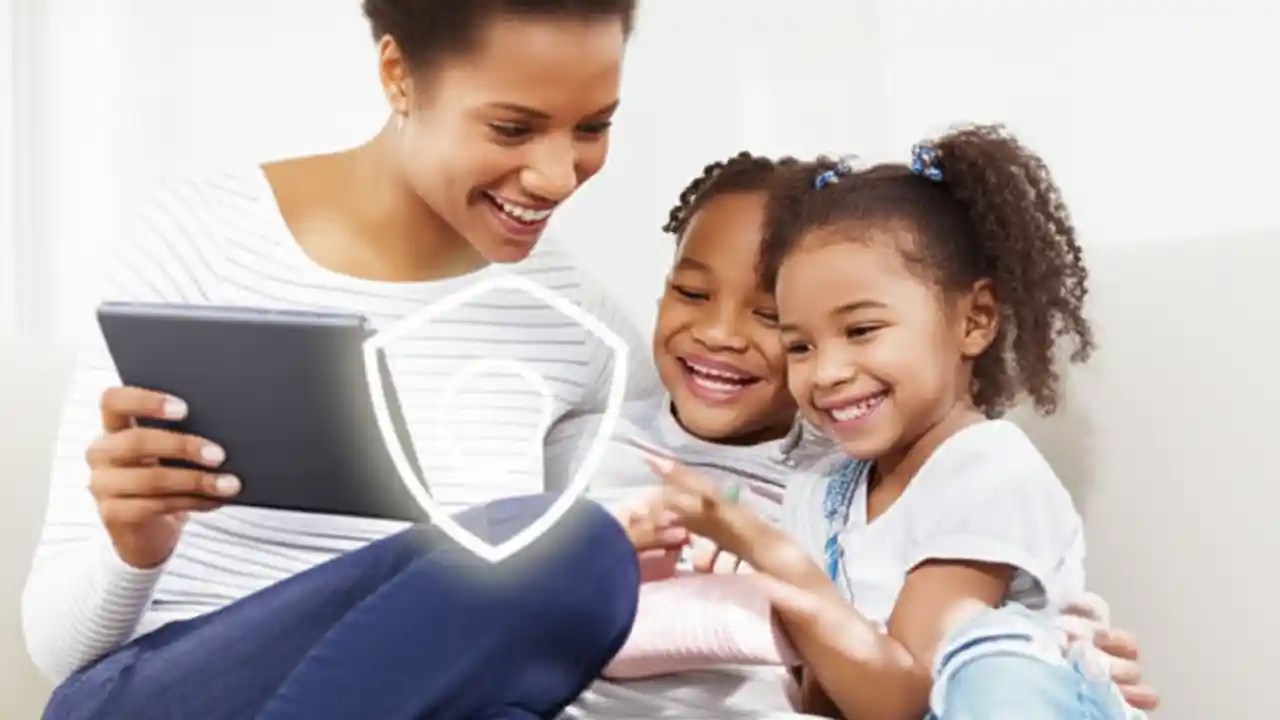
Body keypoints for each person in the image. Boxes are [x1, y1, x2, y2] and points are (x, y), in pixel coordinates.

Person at [22, 2, 676, 718]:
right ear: (399, 76)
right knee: (567, 544)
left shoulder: (580, 325)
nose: (557, 175)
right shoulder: (203, 243)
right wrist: (133, 549)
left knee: (583, 571)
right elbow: (57, 650)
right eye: (512, 128)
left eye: (593, 126)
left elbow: (691, 511)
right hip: (166, 692)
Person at [580, 150, 1157, 717]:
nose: (827, 372)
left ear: (975, 319)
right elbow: (823, 700)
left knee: (994, 657)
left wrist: (766, 555)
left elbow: (903, 701)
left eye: (861, 330)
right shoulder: (820, 488)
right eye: (801, 345)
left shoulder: (986, 469)